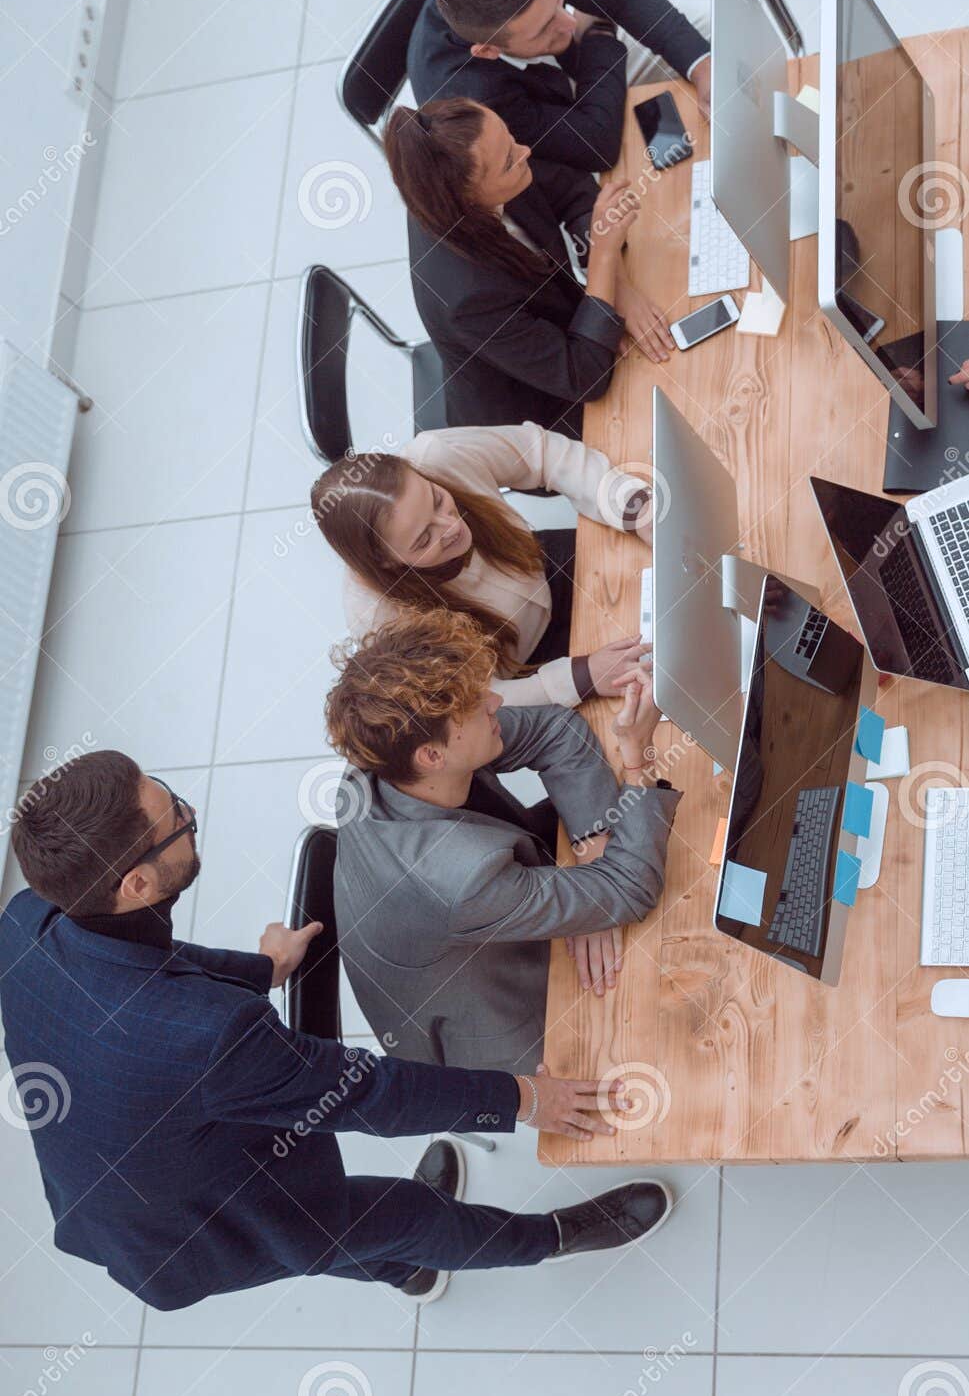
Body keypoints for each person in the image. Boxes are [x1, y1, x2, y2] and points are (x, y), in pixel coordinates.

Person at [0, 751, 675, 1310]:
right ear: (139, 882)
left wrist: (262, 968)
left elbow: (140, 968)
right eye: (174, 817)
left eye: (170, 793)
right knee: (407, 1217)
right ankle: (551, 1237)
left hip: (132, 1159)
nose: (191, 812)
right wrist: (526, 1098)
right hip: (194, 1229)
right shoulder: (207, 1038)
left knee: (348, 1239)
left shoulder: (32, 915)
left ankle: (400, 1270)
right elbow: (367, 1093)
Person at [327, 608, 680, 1073]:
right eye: (477, 706)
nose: (495, 702)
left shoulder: (385, 757)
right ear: (433, 755)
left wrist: (595, 844)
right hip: (509, 1028)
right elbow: (631, 889)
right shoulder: (459, 879)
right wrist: (636, 761)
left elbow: (555, 728)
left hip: (495, 914)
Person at [311, 420, 654, 710]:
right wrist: (582, 678)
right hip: (532, 671)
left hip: (538, 562)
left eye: (438, 500)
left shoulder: (436, 455)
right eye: (423, 539)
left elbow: (542, 453)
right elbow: (472, 698)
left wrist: (630, 506)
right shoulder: (377, 617)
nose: (452, 526)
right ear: (387, 562)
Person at [383, 98, 674, 435]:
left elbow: (571, 187)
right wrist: (603, 258)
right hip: (541, 418)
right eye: (509, 161)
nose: (526, 152)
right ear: (466, 199)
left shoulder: (462, 171)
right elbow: (583, 378)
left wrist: (616, 284)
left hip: (565, 333)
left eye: (510, 138)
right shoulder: (468, 299)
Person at [408, 0, 710, 173]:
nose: (568, 22)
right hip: (544, 136)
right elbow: (596, 145)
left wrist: (702, 65)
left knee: (708, 29)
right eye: (544, 28)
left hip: (580, 62)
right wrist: (599, 33)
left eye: (559, 1)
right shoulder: (475, 99)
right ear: (487, 50)